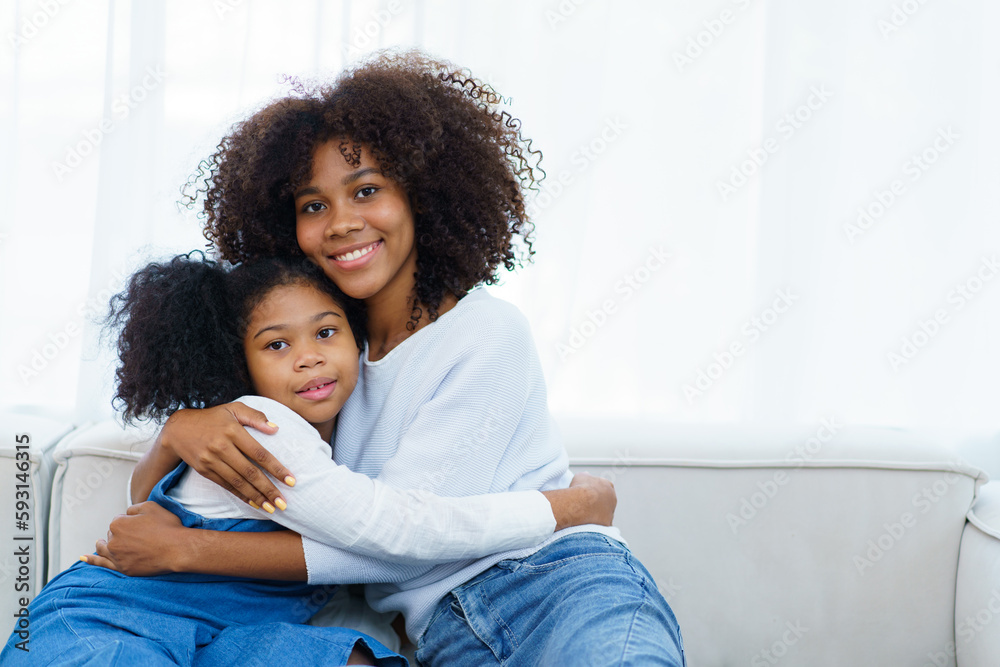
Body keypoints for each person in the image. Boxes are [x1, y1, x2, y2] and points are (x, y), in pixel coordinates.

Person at [93, 50, 685, 665]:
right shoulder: (317, 360)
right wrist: (179, 429)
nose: (342, 223)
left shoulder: (485, 331)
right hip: (445, 634)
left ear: (421, 197)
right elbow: (171, 502)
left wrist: (191, 552)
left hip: (558, 586)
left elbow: (396, 538)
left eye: (367, 191)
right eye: (313, 205)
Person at [2, 253, 601, 665]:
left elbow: (154, 499)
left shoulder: (352, 429)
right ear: (242, 366)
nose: (310, 358)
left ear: (357, 338)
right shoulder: (269, 425)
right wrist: (568, 507)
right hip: (120, 617)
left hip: (239, 634)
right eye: (277, 345)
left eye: (326, 332)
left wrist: (169, 445)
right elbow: (389, 532)